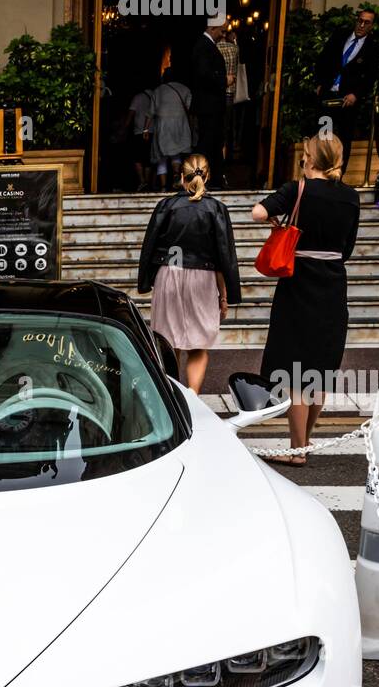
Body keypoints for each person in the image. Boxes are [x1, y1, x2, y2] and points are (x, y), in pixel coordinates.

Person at [252, 133, 360, 465]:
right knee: (319, 369)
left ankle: (297, 450)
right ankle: (306, 441)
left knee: (295, 368)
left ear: (309, 158)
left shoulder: (296, 189)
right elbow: (349, 248)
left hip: (299, 280)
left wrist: (274, 219)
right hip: (332, 282)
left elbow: (258, 212)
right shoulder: (351, 197)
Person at [137, 153, 240, 395]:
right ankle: (192, 396)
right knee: (199, 344)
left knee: (169, 342)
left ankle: (172, 397)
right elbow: (224, 255)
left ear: (181, 177)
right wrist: (225, 295)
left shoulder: (166, 206)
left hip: (169, 274)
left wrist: (147, 281)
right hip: (203, 278)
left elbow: (149, 245)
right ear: (209, 175)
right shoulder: (217, 209)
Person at [314, 8, 379, 174]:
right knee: (324, 135)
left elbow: (370, 77)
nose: (362, 25)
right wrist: (320, 83)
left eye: (367, 22)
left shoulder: (372, 47)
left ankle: (337, 178)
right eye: (360, 20)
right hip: (328, 96)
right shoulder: (340, 36)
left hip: (347, 101)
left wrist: (356, 94)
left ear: (372, 26)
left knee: (344, 139)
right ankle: (320, 175)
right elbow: (323, 59)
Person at [190, 15, 228, 185]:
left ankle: (212, 179)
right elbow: (203, 75)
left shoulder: (207, 46)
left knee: (213, 143)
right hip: (209, 106)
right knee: (207, 144)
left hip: (211, 106)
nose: (224, 35)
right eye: (222, 31)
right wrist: (224, 80)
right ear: (213, 29)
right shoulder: (203, 46)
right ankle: (199, 179)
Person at [148, 69, 193, 191]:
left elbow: (151, 112)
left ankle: (163, 187)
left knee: (161, 156)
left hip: (163, 126)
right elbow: (189, 108)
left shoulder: (158, 90)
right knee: (176, 152)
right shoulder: (186, 89)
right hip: (180, 125)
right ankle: (176, 175)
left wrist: (146, 129)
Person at [217, 25, 240, 183]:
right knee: (225, 131)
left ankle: (215, 169)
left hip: (217, 93)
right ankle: (222, 168)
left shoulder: (213, 48)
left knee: (214, 131)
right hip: (230, 94)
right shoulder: (234, 49)